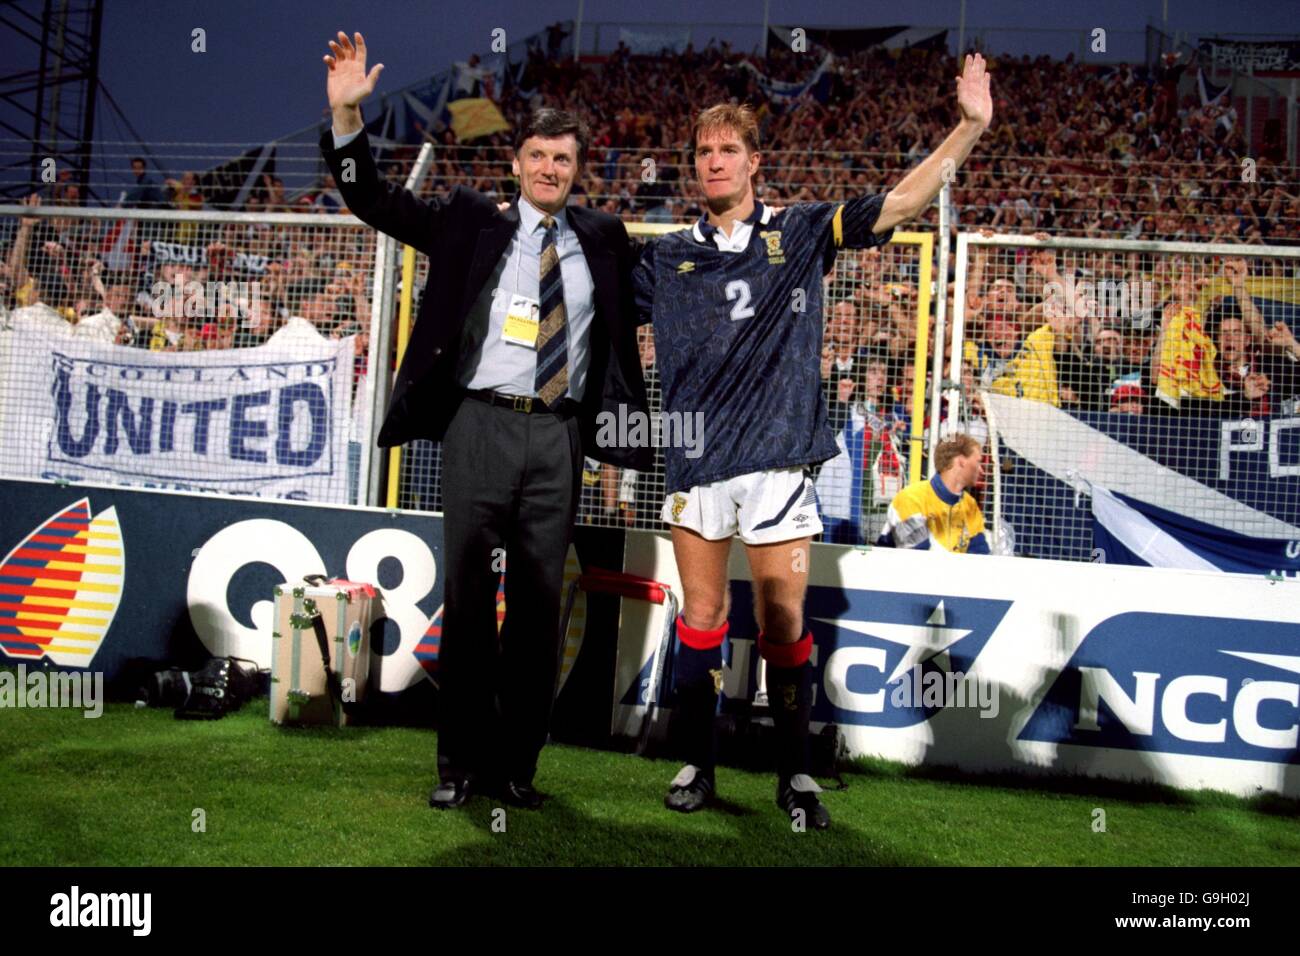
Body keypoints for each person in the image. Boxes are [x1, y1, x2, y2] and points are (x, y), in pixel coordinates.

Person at [632, 54, 992, 829]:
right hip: (697, 463)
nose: (714, 162)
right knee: (699, 618)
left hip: (776, 463)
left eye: (728, 150)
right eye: (703, 152)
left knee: (783, 625)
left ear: (754, 162)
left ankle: (795, 775)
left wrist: (969, 128)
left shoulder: (798, 233)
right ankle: (697, 764)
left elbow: (897, 205)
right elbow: (593, 299)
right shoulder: (666, 255)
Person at [319, 31, 651, 811]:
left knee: (537, 613)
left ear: (578, 170)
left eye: (563, 159)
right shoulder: (470, 221)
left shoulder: (603, 240)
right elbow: (375, 199)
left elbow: (665, 298)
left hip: (558, 436)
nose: (549, 169)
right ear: (516, 162)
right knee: (470, 605)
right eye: (537, 155)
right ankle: (458, 766)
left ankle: (516, 769)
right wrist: (346, 121)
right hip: (478, 426)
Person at [877, 433, 990, 554]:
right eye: (978, 462)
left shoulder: (970, 505)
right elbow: (918, 561)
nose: (981, 470)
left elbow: (980, 556)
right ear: (961, 461)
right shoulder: (911, 499)